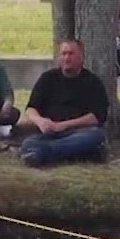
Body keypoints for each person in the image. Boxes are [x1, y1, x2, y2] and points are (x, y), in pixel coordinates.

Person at [19, 38, 110, 167]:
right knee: (28, 142)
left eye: (71, 54)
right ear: (58, 58)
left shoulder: (92, 82)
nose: (67, 58)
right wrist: (41, 121)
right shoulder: (47, 78)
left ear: (81, 57)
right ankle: (74, 153)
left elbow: (97, 117)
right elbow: (31, 108)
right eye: (64, 54)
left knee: (96, 136)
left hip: (78, 132)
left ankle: (43, 152)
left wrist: (63, 125)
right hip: (50, 133)